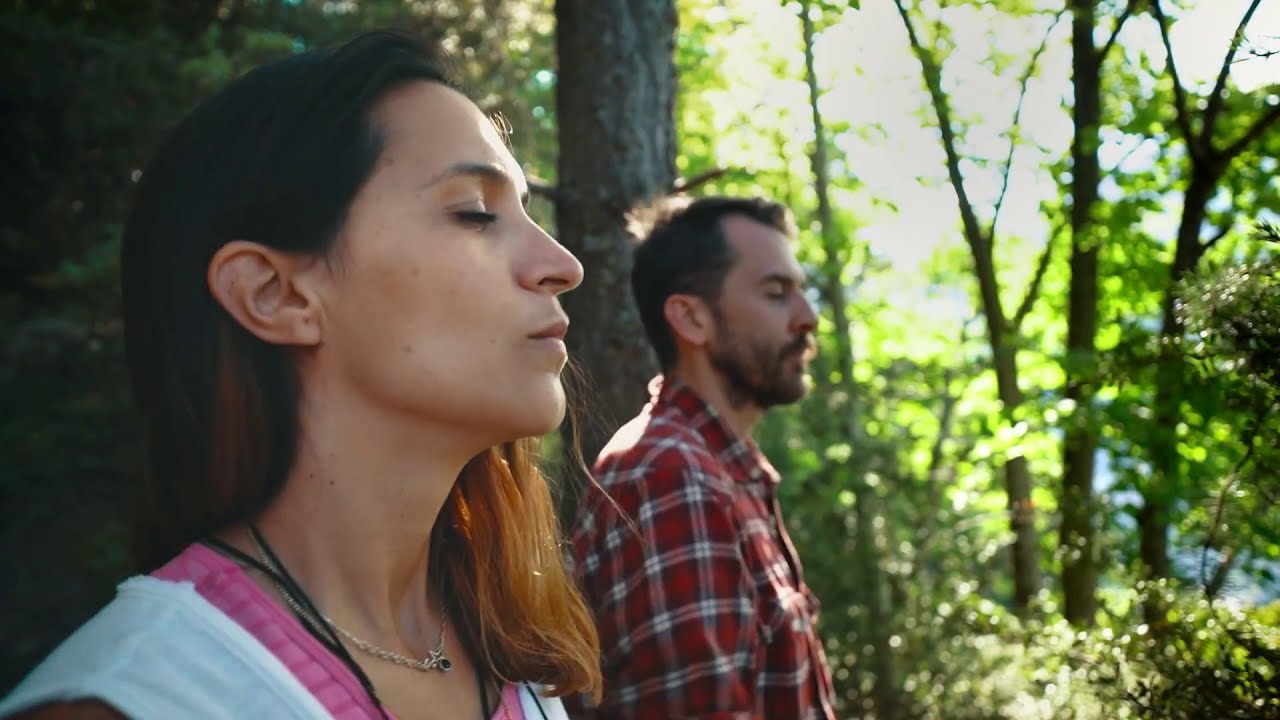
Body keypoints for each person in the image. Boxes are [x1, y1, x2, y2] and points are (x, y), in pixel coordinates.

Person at [0, 30, 599, 720]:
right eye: (474, 212)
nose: (562, 264)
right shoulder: (138, 701)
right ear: (274, 295)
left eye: (529, 211)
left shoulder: (517, 668)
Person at [564, 196, 838, 719]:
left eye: (801, 292)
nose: (808, 318)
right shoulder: (670, 475)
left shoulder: (720, 472)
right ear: (691, 318)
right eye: (777, 293)